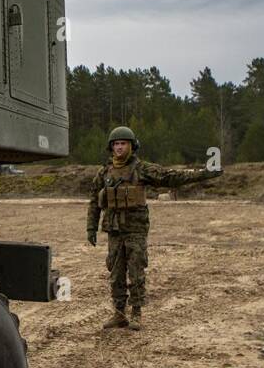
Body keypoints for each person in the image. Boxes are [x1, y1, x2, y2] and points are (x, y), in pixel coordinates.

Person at [86, 126, 221, 330]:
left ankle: (136, 313)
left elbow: (171, 176)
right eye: (116, 144)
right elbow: (94, 201)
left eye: (123, 143)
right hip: (114, 231)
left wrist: (205, 174)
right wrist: (91, 228)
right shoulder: (104, 172)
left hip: (135, 229)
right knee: (115, 273)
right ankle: (119, 314)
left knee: (136, 271)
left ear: (132, 146)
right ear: (111, 147)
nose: (119, 147)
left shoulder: (142, 169)